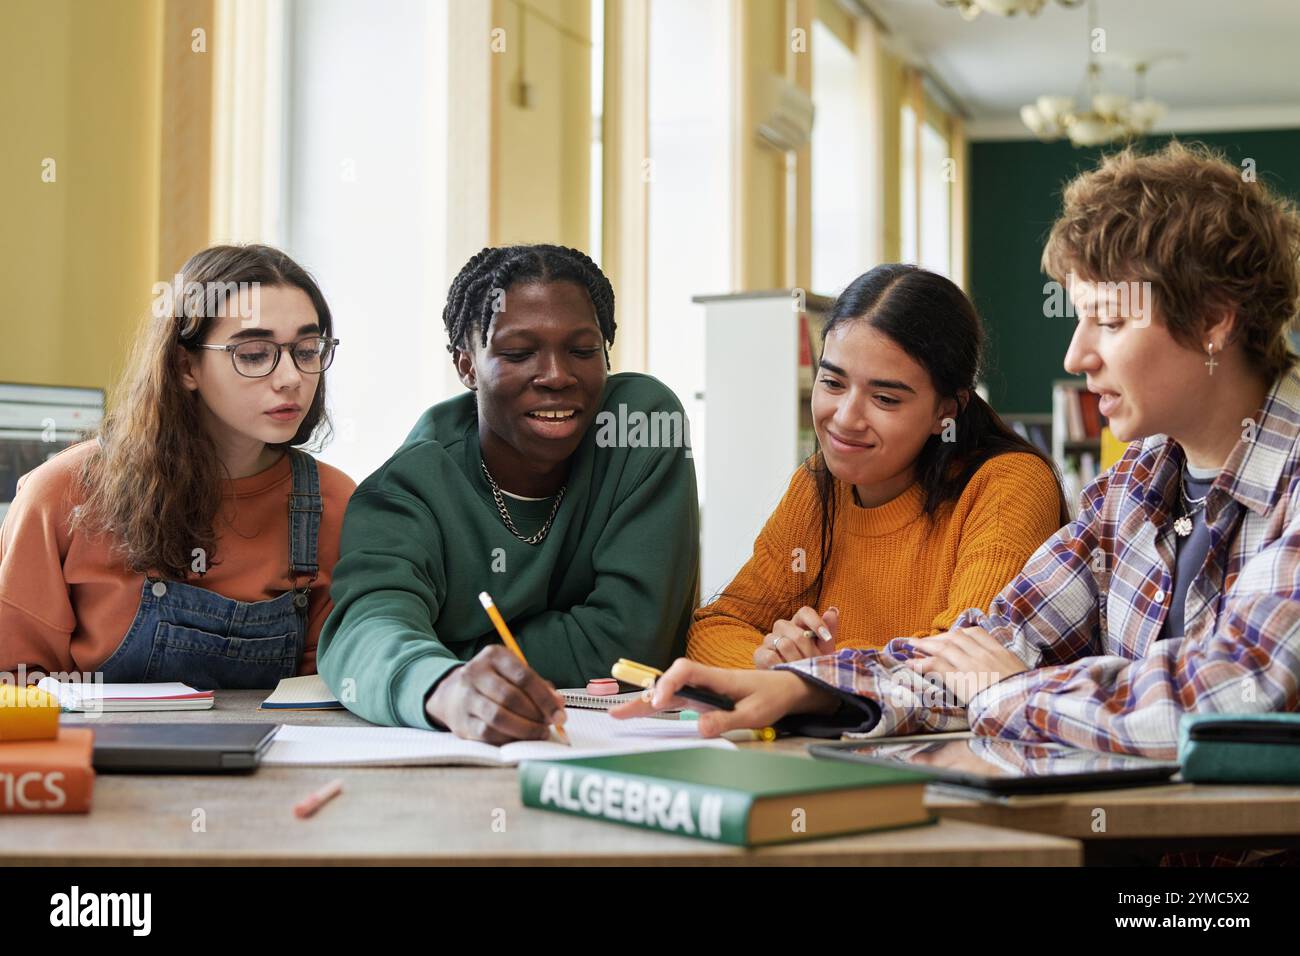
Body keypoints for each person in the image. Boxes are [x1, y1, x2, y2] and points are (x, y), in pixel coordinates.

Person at [318, 244, 700, 742]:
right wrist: (446, 685)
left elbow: (632, 643)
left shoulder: (638, 426)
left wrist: (448, 647)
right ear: (466, 366)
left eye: (582, 351)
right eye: (519, 353)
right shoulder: (409, 487)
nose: (557, 376)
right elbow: (365, 629)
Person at [0, 244, 355, 688]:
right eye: (254, 354)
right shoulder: (60, 493)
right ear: (185, 365)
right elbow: (13, 685)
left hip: (274, 756)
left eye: (307, 349)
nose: (290, 378)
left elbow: (328, 695)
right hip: (100, 756)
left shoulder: (335, 503)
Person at [688, 264, 1067, 670]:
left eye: (885, 398)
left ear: (946, 411)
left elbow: (963, 660)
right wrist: (777, 668)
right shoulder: (818, 486)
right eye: (832, 383)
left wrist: (826, 675)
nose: (846, 418)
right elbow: (718, 625)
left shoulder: (1008, 485)